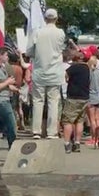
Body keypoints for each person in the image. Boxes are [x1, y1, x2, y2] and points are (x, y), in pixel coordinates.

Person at [26, 8, 67, 139]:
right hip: (55, 72)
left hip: (39, 71)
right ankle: (51, 131)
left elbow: (29, 52)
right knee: (53, 102)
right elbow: (61, 49)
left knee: (38, 102)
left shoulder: (37, 32)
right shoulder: (60, 33)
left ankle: (36, 131)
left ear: (45, 19)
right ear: (56, 19)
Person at [61, 49, 90, 153]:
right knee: (79, 120)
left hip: (73, 97)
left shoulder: (74, 67)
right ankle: (77, 143)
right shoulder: (87, 68)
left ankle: (67, 143)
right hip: (84, 97)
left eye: (80, 52)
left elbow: (65, 76)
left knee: (67, 120)